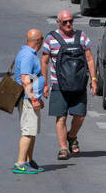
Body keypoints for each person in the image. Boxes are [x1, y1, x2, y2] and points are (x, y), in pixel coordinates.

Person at [40, 10, 97, 160]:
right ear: (58, 22)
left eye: (70, 21)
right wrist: (44, 84)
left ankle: (72, 136)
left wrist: (94, 80)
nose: (68, 24)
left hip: (79, 84)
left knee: (80, 115)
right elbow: (44, 62)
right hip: (58, 85)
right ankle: (63, 148)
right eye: (64, 22)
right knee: (61, 117)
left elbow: (90, 59)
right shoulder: (51, 39)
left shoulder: (82, 36)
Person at [13, 28, 45, 174]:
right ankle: (20, 163)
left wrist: (38, 98)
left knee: (32, 131)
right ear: (38, 41)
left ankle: (29, 160)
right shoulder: (27, 56)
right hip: (27, 99)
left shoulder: (27, 53)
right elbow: (26, 80)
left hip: (31, 99)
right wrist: (33, 99)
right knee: (27, 131)